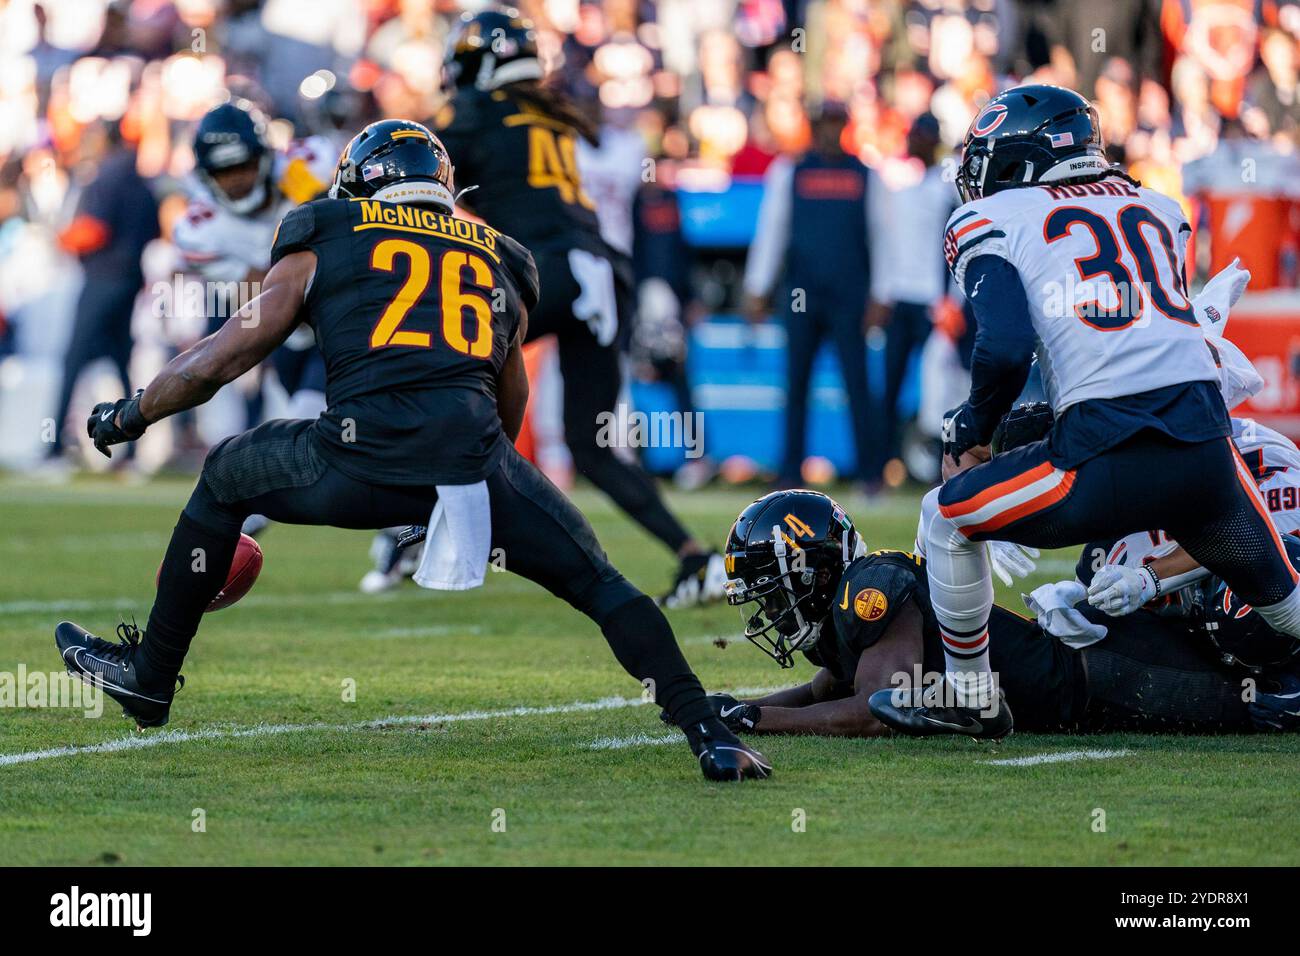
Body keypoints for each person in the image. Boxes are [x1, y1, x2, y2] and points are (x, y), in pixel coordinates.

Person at [54, 119, 770, 783]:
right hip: (473, 465)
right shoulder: (502, 255)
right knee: (603, 585)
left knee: (223, 477)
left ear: (361, 183)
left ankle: (151, 675)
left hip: (350, 460)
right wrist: (491, 482)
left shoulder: (327, 227)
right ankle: (709, 732)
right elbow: (508, 397)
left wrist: (131, 413)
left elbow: (226, 355)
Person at [870, 84, 1300, 740]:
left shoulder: (993, 217)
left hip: (1104, 455)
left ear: (1022, 158)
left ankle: (970, 697)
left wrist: (971, 428)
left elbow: (1006, 348)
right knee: (1289, 603)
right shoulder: (1157, 206)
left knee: (946, 516)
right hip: (1208, 456)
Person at [431, 7, 726, 608]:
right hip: (601, 273)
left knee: (443, 376)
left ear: (481, 65)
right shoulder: (553, 114)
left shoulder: (477, 113)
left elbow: (414, 172)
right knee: (590, 445)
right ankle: (696, 556)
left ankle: (423, 529)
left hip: (548, 272)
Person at [713, 488, 1300, 738]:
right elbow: (825, 691)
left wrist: (759, 724)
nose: (770, 609)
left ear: (812, 572)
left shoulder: (872, 586)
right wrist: (735, 708)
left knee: (1269, 705)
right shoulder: (856, 608)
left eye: (771, 591)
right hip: (1087, 681)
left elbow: (873, 710)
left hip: (1104, 675)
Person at [173, 100, 336, 535]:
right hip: (288, 332)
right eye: (224, 171)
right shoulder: (199, 230)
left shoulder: (307, 169)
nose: (237, 179)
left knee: (310, 417)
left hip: (342, 319)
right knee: (323, 436)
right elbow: (264, 293)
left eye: (243, 165)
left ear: (264, 156)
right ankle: (402, 530)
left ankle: (257, 499)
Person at [742, 102, 881, 493]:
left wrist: (879, 293)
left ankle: (870, 473)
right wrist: (758, 287)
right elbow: (773, 231)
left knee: (856, 383)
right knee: (796, 382)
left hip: (849, 293)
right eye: (824, 123)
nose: (829, 131)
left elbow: (880, 237)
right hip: (802, 292)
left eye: (836, 123)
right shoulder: (790, 170)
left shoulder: (865, 174)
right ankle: (790, 472)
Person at [47, 121, 158, 463]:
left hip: (101, 279)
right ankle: (134, 447)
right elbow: (153, 230)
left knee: (73, 360)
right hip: (128, 280)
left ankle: (51, 446)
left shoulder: (105, 177)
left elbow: (93, 230)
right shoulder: (141, 183)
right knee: (120, 362)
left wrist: (60, 239)